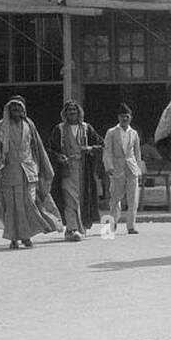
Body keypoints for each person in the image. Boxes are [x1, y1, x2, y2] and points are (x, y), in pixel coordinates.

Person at [0, 97, 61, 248]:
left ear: (23, 109)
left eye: (19, 108)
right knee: (11, 207)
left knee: (28, 204)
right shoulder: (0, 126)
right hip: (8, 172)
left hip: (28, 172)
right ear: (8, 110)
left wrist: (42, 167)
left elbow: (37, 148)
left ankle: (26, 235)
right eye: (13, 108)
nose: (16, 111)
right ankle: (13, 238)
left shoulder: (29, 124)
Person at [47, 100, 105, 241]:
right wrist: (59, 157)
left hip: (83, 170)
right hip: (66, 170)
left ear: (79, 112)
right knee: (69, 199)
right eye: (69, 110)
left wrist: (89, 149)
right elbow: (50, 148)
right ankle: (71, 228)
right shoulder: (59, 129)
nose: (72, 112)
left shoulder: (86, 128)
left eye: (75, 110)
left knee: (81, 199)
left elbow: (101, 144)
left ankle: (80, 227)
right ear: (65, 113)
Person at [103, 103, 143, 235]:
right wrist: (109, 166)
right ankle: (111, 225)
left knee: (133, 199)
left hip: (131, 169)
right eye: (122, 116)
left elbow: (137, 152)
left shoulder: (134, 133)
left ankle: (131, 226)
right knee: (115, 198)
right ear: (118, 117)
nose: (124, 119)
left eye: (126, 116)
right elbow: (107, 150)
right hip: (117, 169)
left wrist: (139, 169)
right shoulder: (111, 132)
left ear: (130, 117)